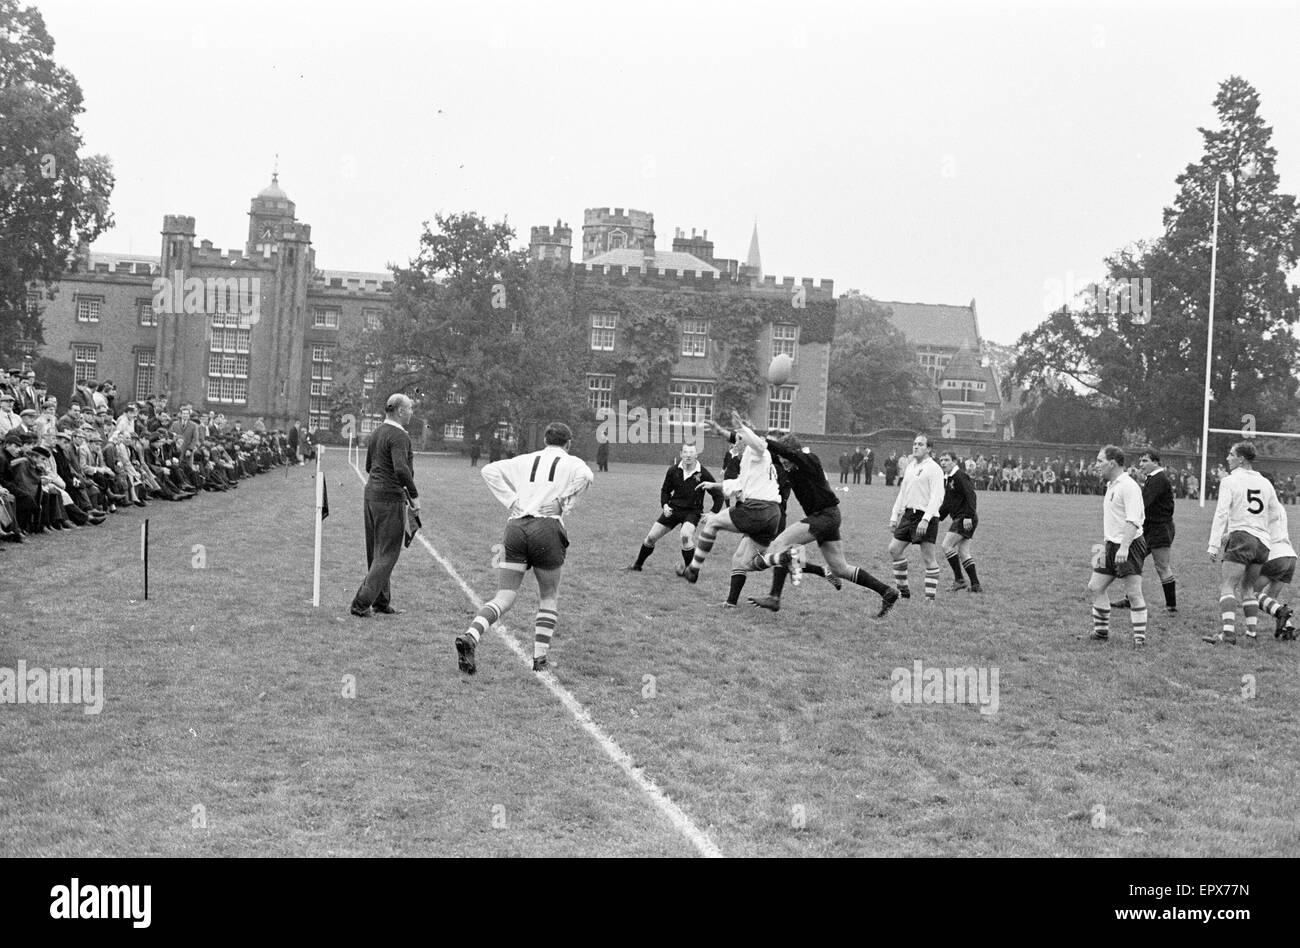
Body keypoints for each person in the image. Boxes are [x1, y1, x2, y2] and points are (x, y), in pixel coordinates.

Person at [456, 422, 594, 674]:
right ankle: (540, 659)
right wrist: (562, 501)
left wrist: (512, 501)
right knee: (548, 596)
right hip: (547, 528)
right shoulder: (572, 462)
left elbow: (489, 470)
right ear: (568, 443)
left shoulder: (526, 459)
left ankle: (471, 635)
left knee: (504, 595)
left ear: (545, 440)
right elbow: (586, 476)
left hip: (516, 528)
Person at [743, 433, 899, 617]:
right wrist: (738, 434)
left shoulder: (809, 460)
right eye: (782, 459)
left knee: (780, 544)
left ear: (794, 452)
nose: (783, 462)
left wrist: (766, 441)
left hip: (825, 516)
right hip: (826, 517)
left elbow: (786, 453)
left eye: (786, 458)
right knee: (840, 568)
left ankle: (774, 597)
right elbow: (767, 453)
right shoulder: (788, 465)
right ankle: (887, 591)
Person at [677, 412, 782, 591]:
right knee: (742, 562)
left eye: (738, 439)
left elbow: (758, 444)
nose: (734, 444)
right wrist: (714, 485)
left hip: (758, 509)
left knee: (712, 523)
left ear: (746, 439)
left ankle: (693, 570)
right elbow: (739, 484)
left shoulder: (757, 451)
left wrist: (742, 428)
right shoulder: (752, 460)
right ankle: (782, 558)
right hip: (773, 515)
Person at [1204, 440, 1283, 645]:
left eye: (1231, 454)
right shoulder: (1265, 483)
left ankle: (1228, 634)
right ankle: (1251, 634)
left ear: (1241, 459)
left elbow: (1221, 513)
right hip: (1262, 541)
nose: (1227, 458)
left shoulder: (1230, 481)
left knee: (1228, 585)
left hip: (1242, 536)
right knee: (1248, 588)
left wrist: (1213, 544)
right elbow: (1275, 513)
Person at [349, 394, 420, 618]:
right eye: (410, 408)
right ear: (400, 410)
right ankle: (361, 603)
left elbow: (369, 466)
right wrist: (414, 496)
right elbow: (401, 469)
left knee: (376, 551)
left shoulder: (377, 432)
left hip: (371, 495)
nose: (412, 412)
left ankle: (381, 602)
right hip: (389, 498)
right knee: (388, 553)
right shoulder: (399, 436)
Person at [623, 443, 722, 573]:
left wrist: (713, 512)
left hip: (692, 511)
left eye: (691, 452)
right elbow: (665, 490)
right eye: (685, 452)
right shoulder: (673, 470)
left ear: (696, 455)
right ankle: (637, 565)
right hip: (673, 510)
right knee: (650, 538)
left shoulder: (703, 473)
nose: (688, 455)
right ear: (681, 454)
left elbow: (718, 495)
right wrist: (665, 505)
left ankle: (690, 571)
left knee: (686, 536)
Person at [1087, 445, 1149, 646]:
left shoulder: (1128, 486)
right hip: (1110, 545)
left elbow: (1134, 520)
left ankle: (1139, 640)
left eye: (1100, 461)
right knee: (1095, 586)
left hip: (1129, 545)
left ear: (1112, 463)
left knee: (1133, 593)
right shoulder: (1112, 484)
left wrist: (1124, 547)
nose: (1096, 465)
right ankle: (1101, 633)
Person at [1113, 449, 1177, 615]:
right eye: (1140, 461)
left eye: (1145, 461)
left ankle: (1171, 606)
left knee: (1162, 566)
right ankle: (1130, 598)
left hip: (1160, 529)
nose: (1140, 464)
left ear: (1155, 462)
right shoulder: (1153, 478)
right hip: (1149, 528)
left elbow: (1143, 503)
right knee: (1135, 559)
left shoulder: (1159, 479)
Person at [888, 433, 944, 601]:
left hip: (926, 517)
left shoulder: (934, 468)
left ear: (929, 448)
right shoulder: (910, 466)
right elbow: (903, 492)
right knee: (894, 549)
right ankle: (904, 592)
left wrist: (926, 519)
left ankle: (929, 600)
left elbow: (937, 497)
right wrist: (894, 516)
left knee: (928, 558)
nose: (916, 446)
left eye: (920, 444)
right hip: (908, 515)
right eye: (915, 443)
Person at [937, 449, 982, 592]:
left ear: (954, 462)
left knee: (946, 545)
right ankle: (975, 585)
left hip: (965, 517)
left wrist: (968, 516)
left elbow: (971, 496)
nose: (943, 463)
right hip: (963, 517)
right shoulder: (948, 478)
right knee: (963, 552)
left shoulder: (960, 476)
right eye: (941, 460)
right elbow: (947, 503)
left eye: (946, 460)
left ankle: (959, 580)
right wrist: (936, 517)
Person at [1254, 505, 1297, 639]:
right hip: (1290, 556)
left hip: (1275, 554)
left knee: (1251, 593)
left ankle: (1251, 632)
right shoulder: (1280, 506)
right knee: (1270, 600)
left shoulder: (1263, 504)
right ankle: (1287, 628)